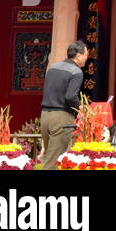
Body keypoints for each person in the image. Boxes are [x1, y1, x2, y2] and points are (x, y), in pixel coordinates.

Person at [40, 40, 88, 170]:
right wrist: (80, 107)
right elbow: (70, 96)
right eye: (85, 55)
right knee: (54, 161)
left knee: (48, 156)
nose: (86, 59)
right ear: (78, 55)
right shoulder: (76, 72)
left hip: (45, 116)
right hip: (61, 117)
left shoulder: (52, 68)